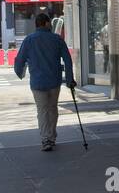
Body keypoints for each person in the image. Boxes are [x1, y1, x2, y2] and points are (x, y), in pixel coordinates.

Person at [13, 12, 75, 152]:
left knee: (42, 110)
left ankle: (46, 139)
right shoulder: (57, 39)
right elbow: (67, 60)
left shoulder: (29, 40)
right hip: (54, 80)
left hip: (37, 82)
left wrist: (19, 73)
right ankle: (51, 136)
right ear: (47, 23)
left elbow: (20, 59)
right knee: (53, 108)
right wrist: (70, 79)